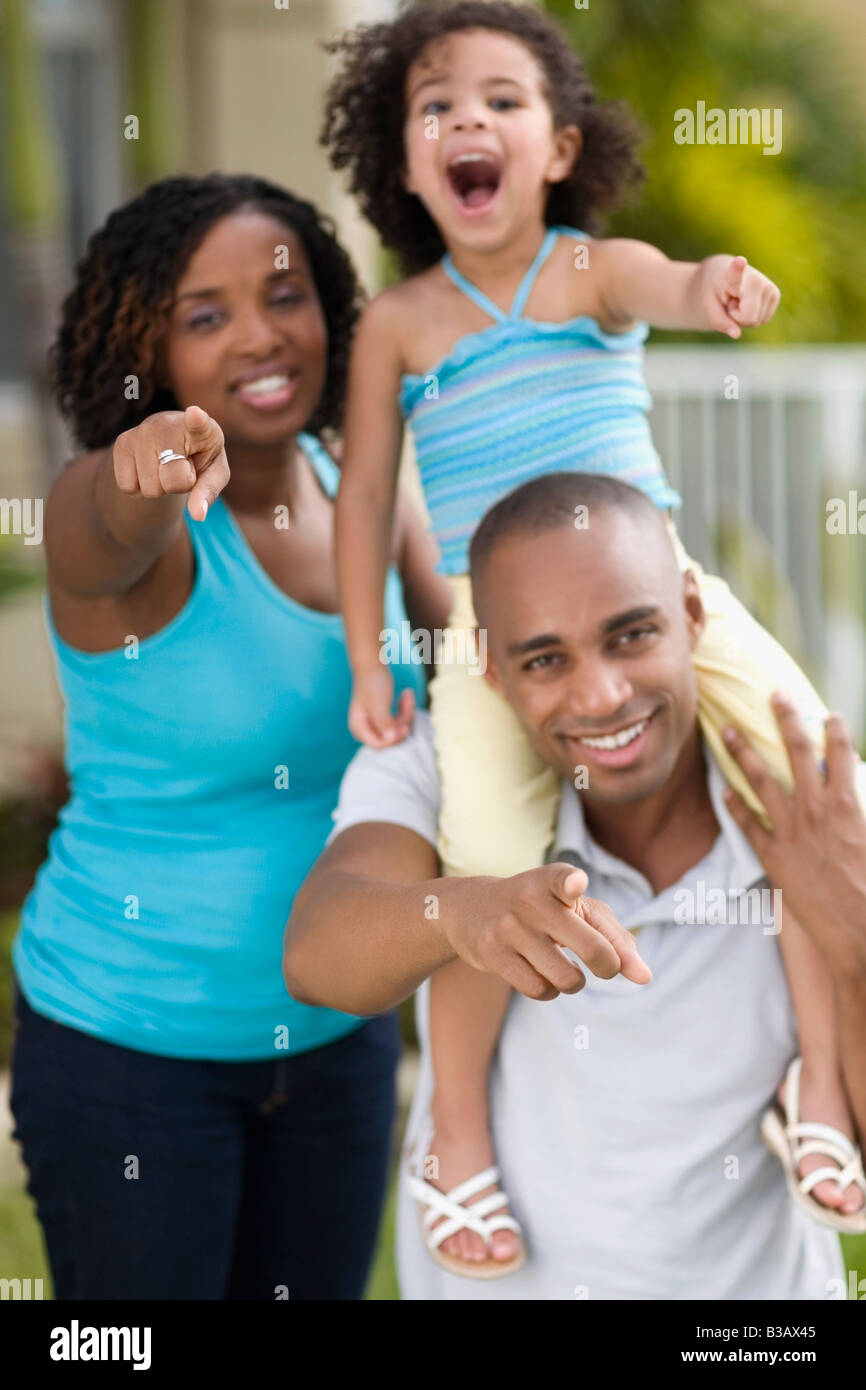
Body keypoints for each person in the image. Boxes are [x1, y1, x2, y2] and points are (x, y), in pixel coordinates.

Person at [321, 0, 861, 1271]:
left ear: (557, 147)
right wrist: (366, 653)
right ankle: (458, 1135)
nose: (470, 122)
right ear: (405, 164)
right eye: (436, 105)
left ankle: (824, 1093)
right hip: (489, 642)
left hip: (658, 591)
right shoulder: (400, 323)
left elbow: (664, 282)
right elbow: (362, 497)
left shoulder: (583, 270)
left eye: (503, 101)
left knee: (795, 779)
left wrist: (710, 289)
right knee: (482, 869)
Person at [9, 173, 448, 1300]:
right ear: (144, 345)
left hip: (336, 1040)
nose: (260, 334)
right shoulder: (120, 529)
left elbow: (483, 669)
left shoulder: (369, 485)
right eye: (205, 314)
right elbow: (95, 527)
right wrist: (147, 468)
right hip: (128, 1051)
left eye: (284, 294)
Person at [285, 471, 866, 1300]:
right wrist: (461, 911)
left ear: (693, 618)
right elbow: (316, 953)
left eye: (632, 636)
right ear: (491, 672)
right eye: (546, 659)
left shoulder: (821, 808)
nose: (601, 696)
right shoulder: (443, 777)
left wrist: (850, 934)